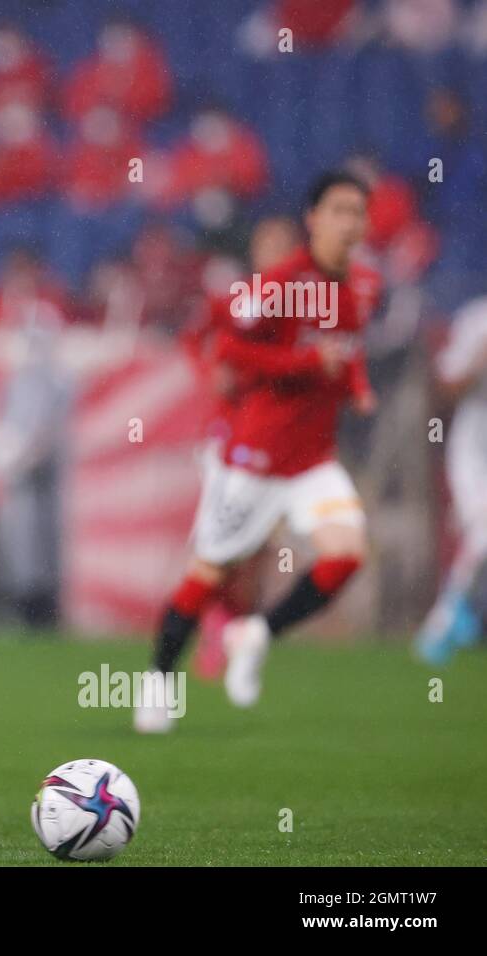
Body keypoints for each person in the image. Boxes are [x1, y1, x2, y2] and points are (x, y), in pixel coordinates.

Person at [135, 171, 381, 732]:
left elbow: (349, 348)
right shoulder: (281, 285)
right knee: (210, 573)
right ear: (313, 219)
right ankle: (157, 681)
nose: (351, 222)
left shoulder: (365, 285)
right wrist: (304, 366)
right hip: (255, 458)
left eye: (359, 212)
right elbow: (226, 344)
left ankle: (257, 633)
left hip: (313, 461)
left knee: (346, 555)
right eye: (339, 210)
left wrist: (358, 388)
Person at [414, 296, 487, 664]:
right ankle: (451, 616)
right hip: (476, 450)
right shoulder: (478, 318)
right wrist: (477, 363)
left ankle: (446, 620)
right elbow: (445, 387)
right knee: (484, 532)